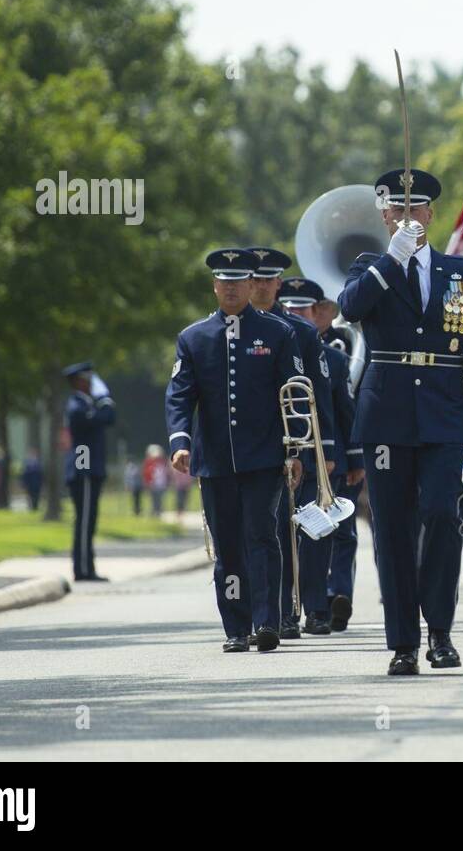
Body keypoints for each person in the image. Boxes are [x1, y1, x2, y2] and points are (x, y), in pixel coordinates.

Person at [338, 167, 463, 676]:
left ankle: (440, 631)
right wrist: (393, 260)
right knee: (392, 528)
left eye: (418, 209)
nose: (408, 217)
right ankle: (404, 642)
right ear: (385, 215)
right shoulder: (370, 266)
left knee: (440, 515)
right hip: (387, 415)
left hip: (443, 412)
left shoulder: (462, 272)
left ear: (431, 214)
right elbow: (351, 307)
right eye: (398, 210)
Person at [166, 248, 302, 653]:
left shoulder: (279, 333)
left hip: (263, 457)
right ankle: (236, 627)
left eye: (238, 281)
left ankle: (267, 621)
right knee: (227, 545)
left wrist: (295, 450)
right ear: (214, 285)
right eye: (223, 282)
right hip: (216, 461)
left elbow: (293, 395)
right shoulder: (193, 338)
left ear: (250, 284)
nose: (230, 288)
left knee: (261, 535)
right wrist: (179, 441)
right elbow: (179, 395)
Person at [248, 248, 338, 641]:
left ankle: (315, 606)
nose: (263, 286)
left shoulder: (300, 332)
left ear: (278, 285)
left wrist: (327, 450)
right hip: (259, 448)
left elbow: (320, 393)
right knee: (273, 530)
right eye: (258, 279)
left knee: (311, 529)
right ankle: (280, 611)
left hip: (299, 443)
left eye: (270, 280)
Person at [277, 275, 365, 635]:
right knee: (285, 532)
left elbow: (340, 411)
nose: (295, 312)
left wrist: (354, 458)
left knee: (328, 532)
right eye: (290, 306)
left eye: (302, 307)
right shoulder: (276, 344)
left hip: (325, 457)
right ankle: (287, 607)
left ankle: (326, 600)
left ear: (319, 311)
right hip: (285, 453)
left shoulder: (334, 357)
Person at [62, 361, 116, 581]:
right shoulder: (77, 405)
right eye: (88, 379)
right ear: (79, 382)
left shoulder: (86, 405)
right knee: (84, 522)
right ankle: (83, 569)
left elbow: (107, 418)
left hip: (89, 470)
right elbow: (106, 417)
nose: (91, 384)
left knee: (88, 521)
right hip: (83, 470)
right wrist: (105, 401)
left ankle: (86, 567)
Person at [143, 445, 169, 518]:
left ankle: (158, 512)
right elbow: (146, 474)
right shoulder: (149, 463)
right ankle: (154, 512)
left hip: (161, 485)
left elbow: (166, 474)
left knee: (160, 499)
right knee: (154, 499)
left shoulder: (163, 463)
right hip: (153, 485)